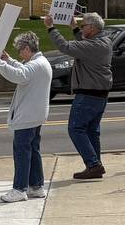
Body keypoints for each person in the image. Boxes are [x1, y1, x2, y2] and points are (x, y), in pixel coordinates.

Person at [43, 12, 113, 180]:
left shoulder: (93, 46)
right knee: (91, 131)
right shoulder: (104, 42)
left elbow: (65, 47)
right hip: (99, 95)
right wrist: (74, 27)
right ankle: (95, 165)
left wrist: (50, 27)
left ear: (92, 28)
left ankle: (93, 165)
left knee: (75, 129)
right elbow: (84, 43)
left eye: (83, 26)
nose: (82, 28)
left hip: (88, 95)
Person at [0, 30, 53, 202]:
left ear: (26, 49)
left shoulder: (35, 65)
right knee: (33, 150)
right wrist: (9, 60)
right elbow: (24, 70)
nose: (19, 54)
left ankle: (19, 189)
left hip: (27, 117)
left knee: (22, 153)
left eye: (20, 50)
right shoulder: (41, 62)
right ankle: (36, 186)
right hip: (36, 115)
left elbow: (18, 75)